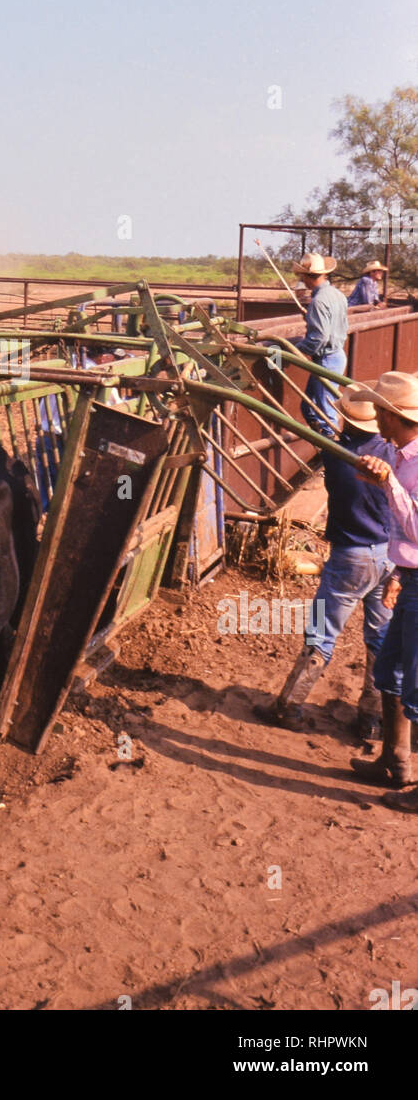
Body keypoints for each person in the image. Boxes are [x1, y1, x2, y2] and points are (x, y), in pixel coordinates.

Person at [255, 385, 391, 734]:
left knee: (321, 630)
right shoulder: (391, 457)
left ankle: (289, 706)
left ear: (345, 419)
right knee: (380, 636)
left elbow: (316, 421)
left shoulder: (337, 456)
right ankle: (370, 717)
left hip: (350, 557)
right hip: (389, 557)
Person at [348, 372, 418, 810]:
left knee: (416, 684)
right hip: (409, 577)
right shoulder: (400, 455)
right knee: (388, 670)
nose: (374, 419)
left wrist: (389, 484)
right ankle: (395, 759)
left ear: (394, 416)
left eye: (379, 413)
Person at [289, 253, 349, 438]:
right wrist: (311, 317)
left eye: (302, 275)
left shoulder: (318, 301)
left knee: (324, 412)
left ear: (307, 277)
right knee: (309, 406)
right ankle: (324, 444)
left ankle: (335, 453)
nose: (301, 279)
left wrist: (296, 350)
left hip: (326, 359)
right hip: (337, 355)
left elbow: (319, 338)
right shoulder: (337, 295)